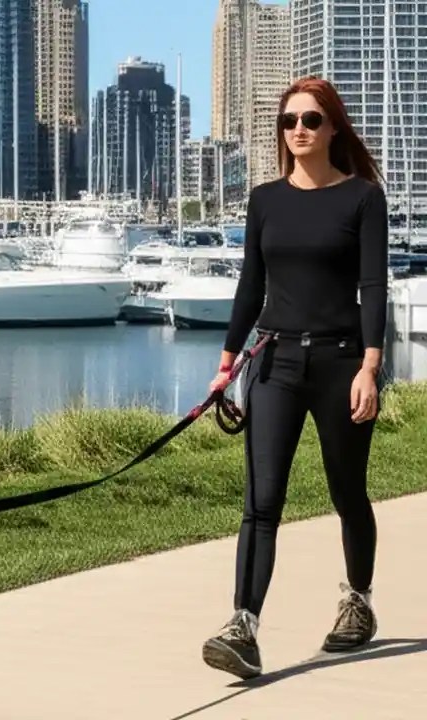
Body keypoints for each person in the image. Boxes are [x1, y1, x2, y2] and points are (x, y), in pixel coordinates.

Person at [201, 76, 389, 680]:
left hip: (341, 364)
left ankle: (357, 600)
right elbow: (250, 287)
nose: (299, 130)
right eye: (289, 122)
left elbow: (372, 289)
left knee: (347, 493)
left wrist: (369, 367)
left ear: (333, 127)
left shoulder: (362, 198)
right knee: (261, 503)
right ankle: (243, 626)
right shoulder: (265, 200)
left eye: (311, 119)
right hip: (275, 363)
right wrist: (227, 363)